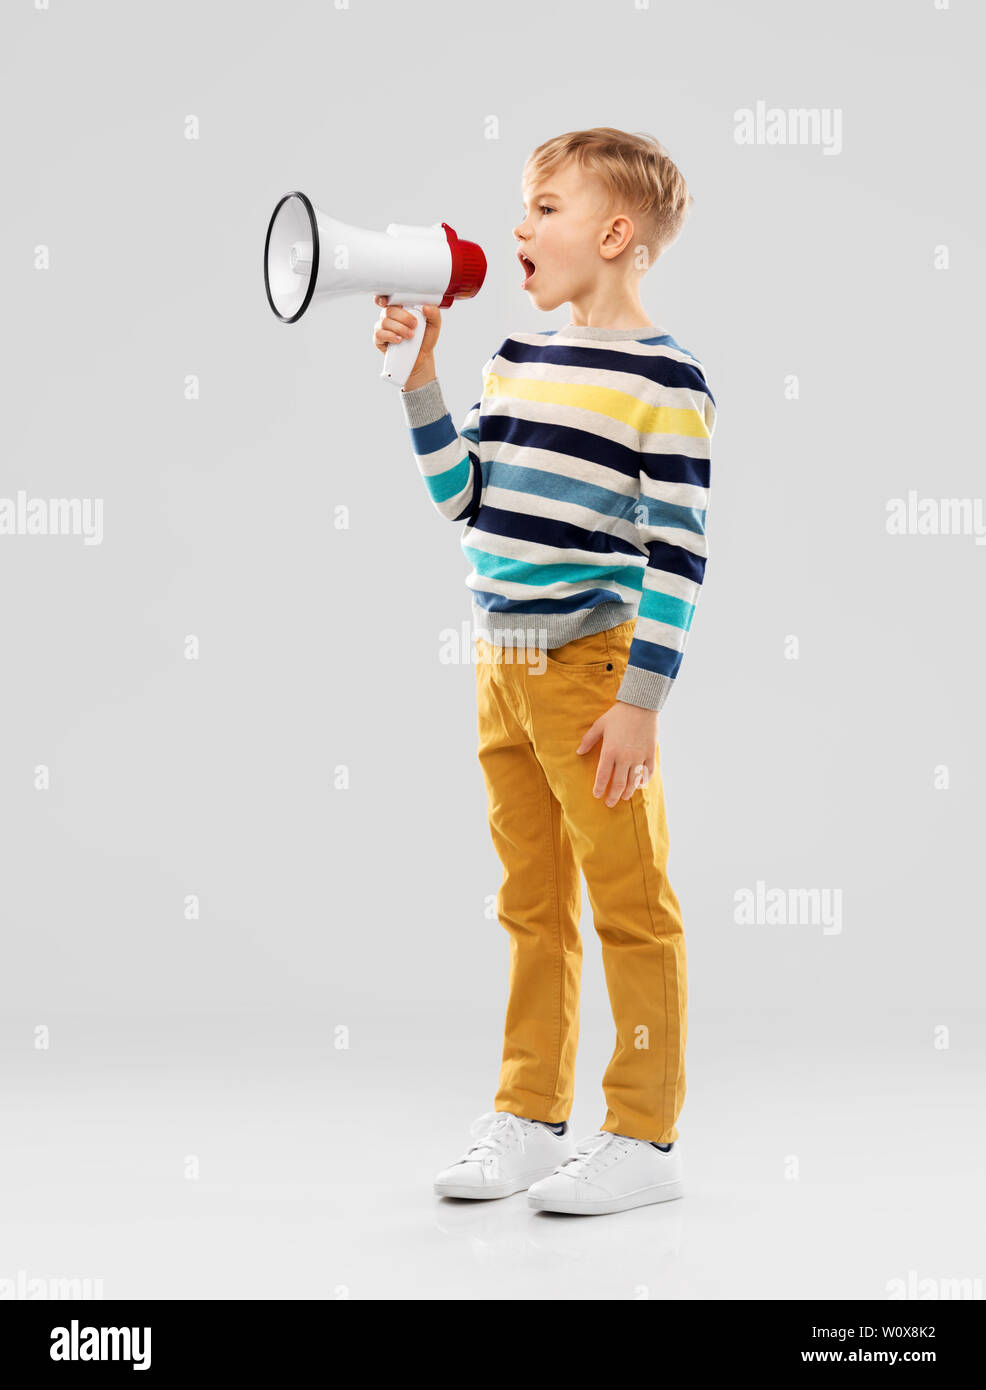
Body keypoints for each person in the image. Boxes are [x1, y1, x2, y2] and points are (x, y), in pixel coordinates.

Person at [372, 127, 717, 1217]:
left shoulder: (666, 382)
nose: (517, 228)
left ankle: (644, 1136)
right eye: (522, 207)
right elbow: (462, 500)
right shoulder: (513, 358)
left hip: (589, 672)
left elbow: (679, 553)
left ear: (615, 235)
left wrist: (636, 705)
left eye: (543, 208)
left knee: (628, 901)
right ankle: (527, 1115)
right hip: (500, 665)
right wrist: (419, 383)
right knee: (529, 902)